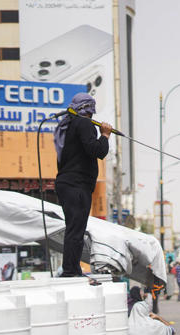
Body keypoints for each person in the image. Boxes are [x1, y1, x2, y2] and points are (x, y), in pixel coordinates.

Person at [53, 93, 111, 277]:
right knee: (76, 230)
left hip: (66, 183)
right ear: (89, 108)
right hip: (77, 185)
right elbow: (97, 151)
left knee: (73, 229)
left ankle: (71, 269)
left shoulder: (69, 125)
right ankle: (71, 271)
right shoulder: (84, 124)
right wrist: (105, 135)